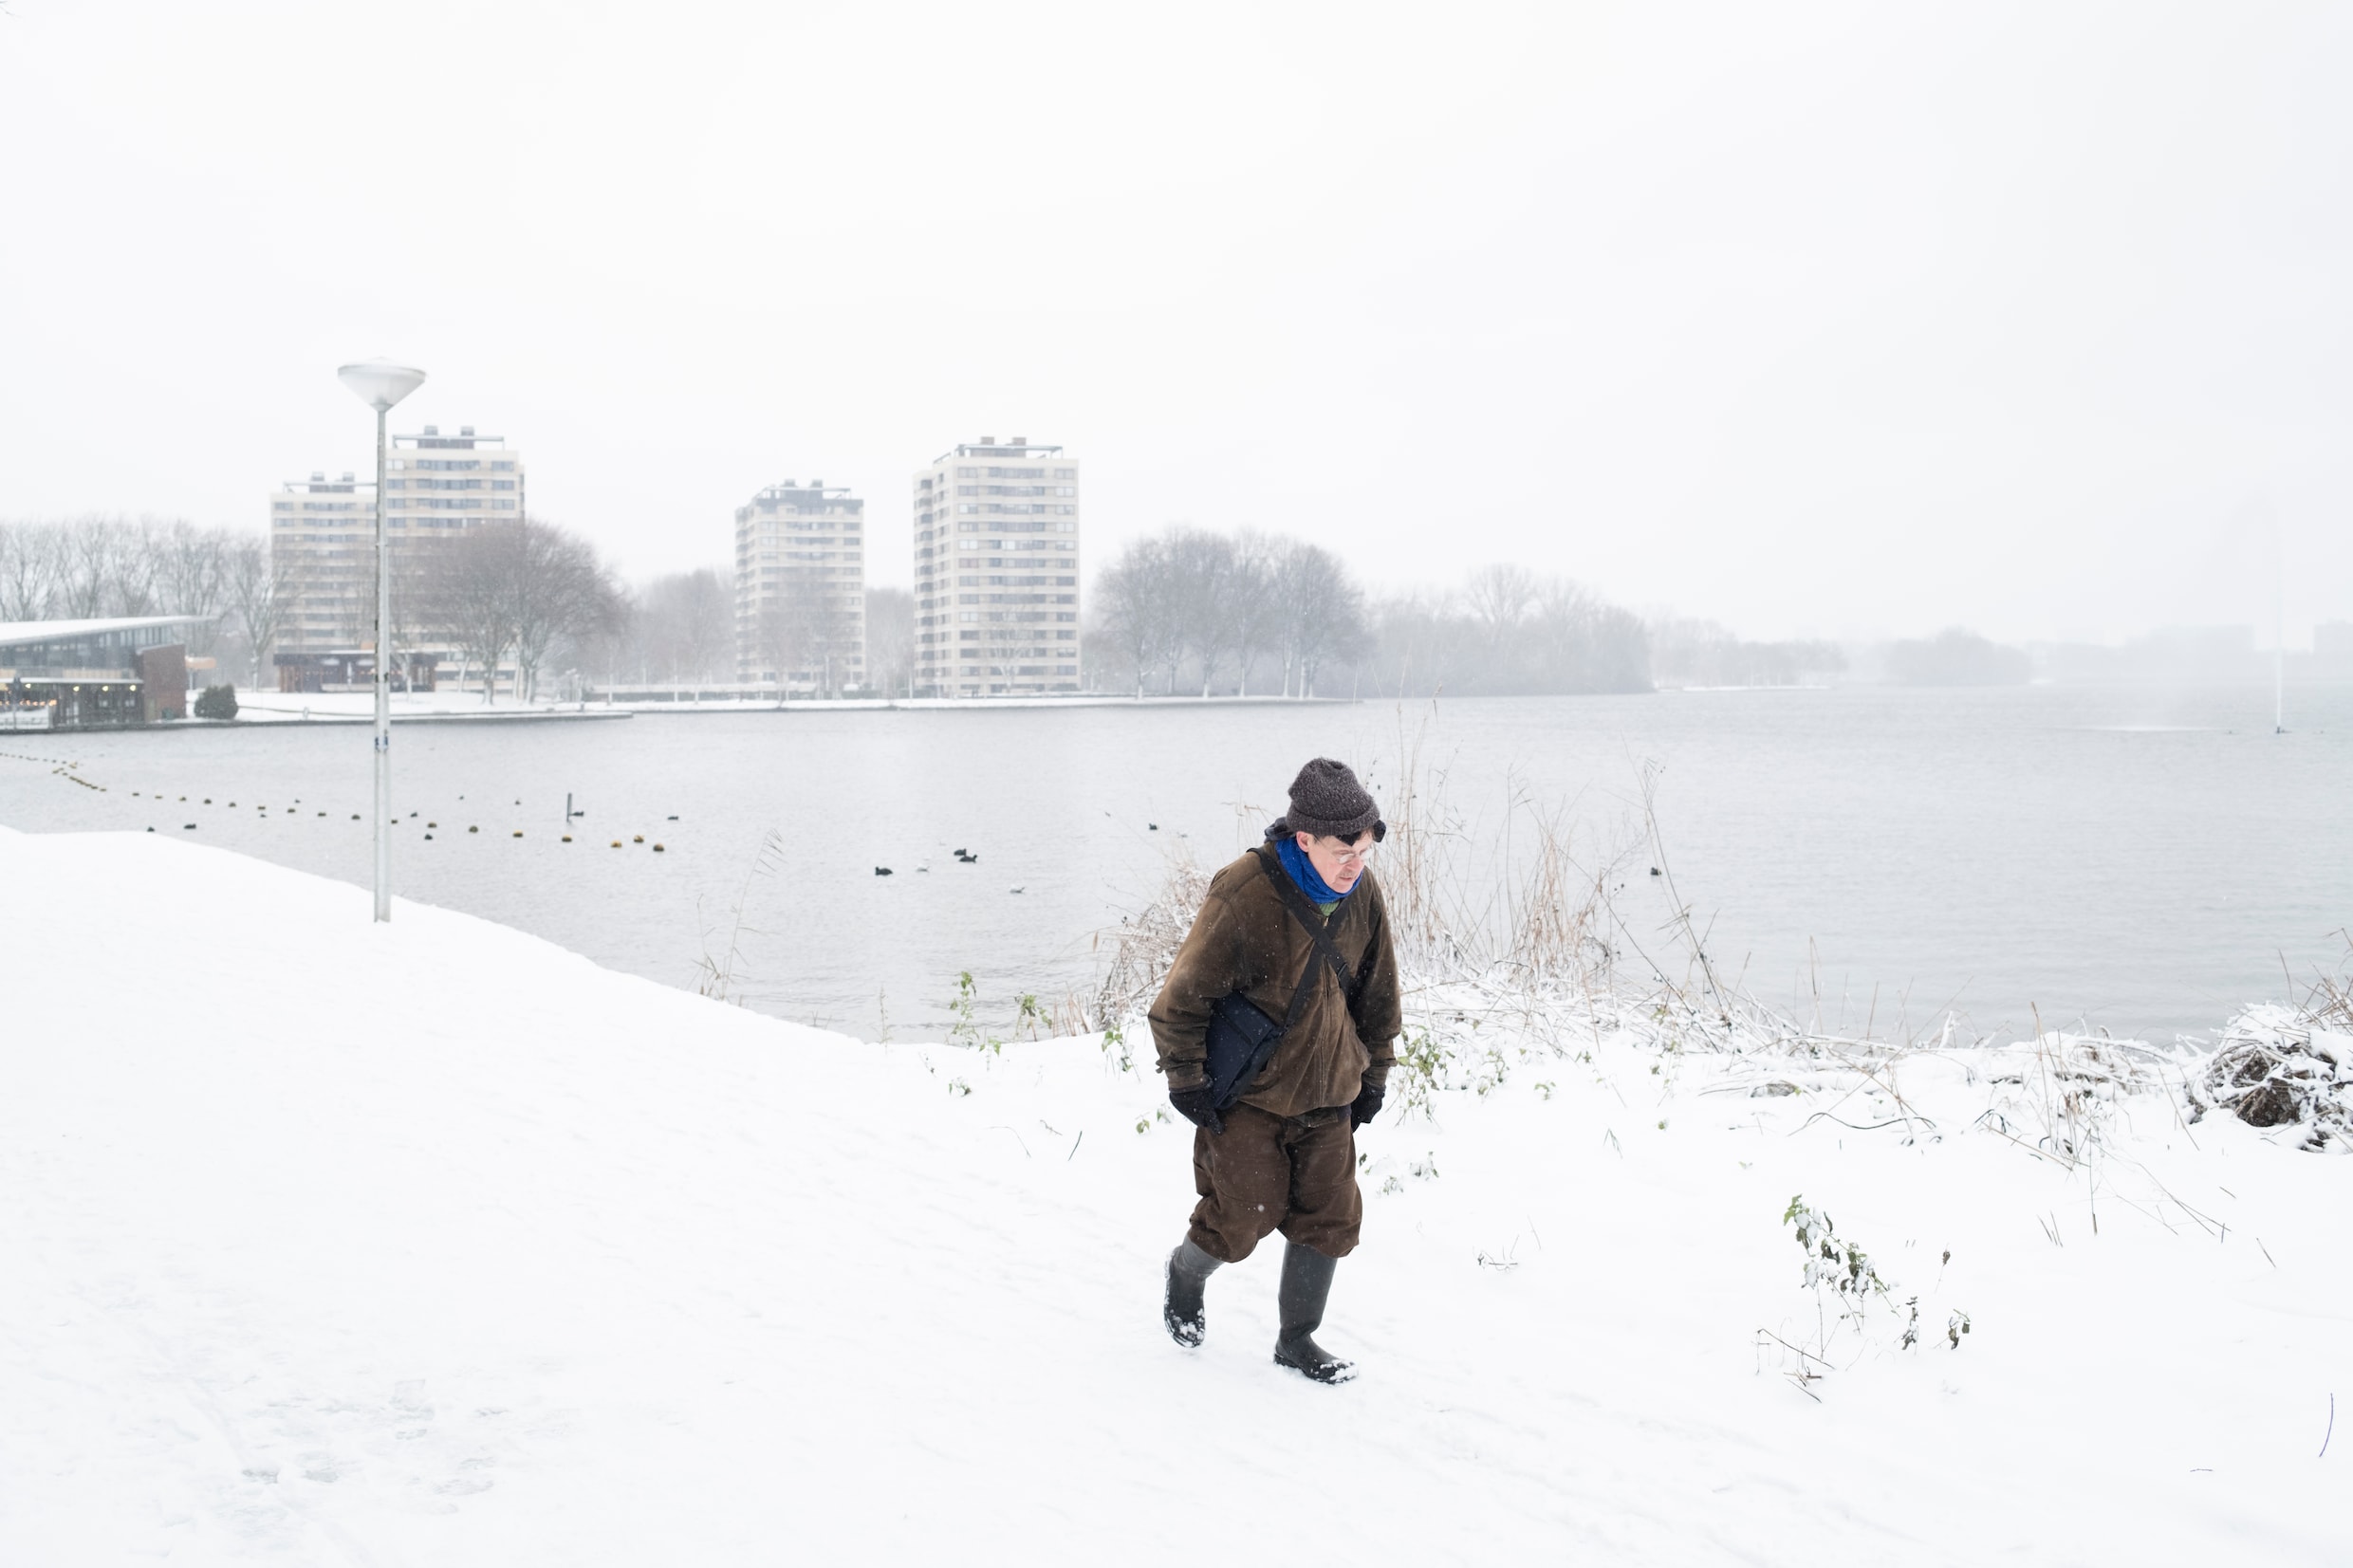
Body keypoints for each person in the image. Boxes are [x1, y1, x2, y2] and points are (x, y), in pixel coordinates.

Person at [1147, 757, 1402, 1383]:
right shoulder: (1244, 891)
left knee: (1330, 1216)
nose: (1355, 864)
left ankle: (1296, 1339)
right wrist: (1185, 1079)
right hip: (1249, 1097)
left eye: (1365, 851)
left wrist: (1375, 1074)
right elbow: (1180, 999)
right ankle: (1184, 1273)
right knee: (1240, 1217)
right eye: (1345, 850)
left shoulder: (1362, 895)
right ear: (1304, 838)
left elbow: (1379, 995)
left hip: (1329, 1090)